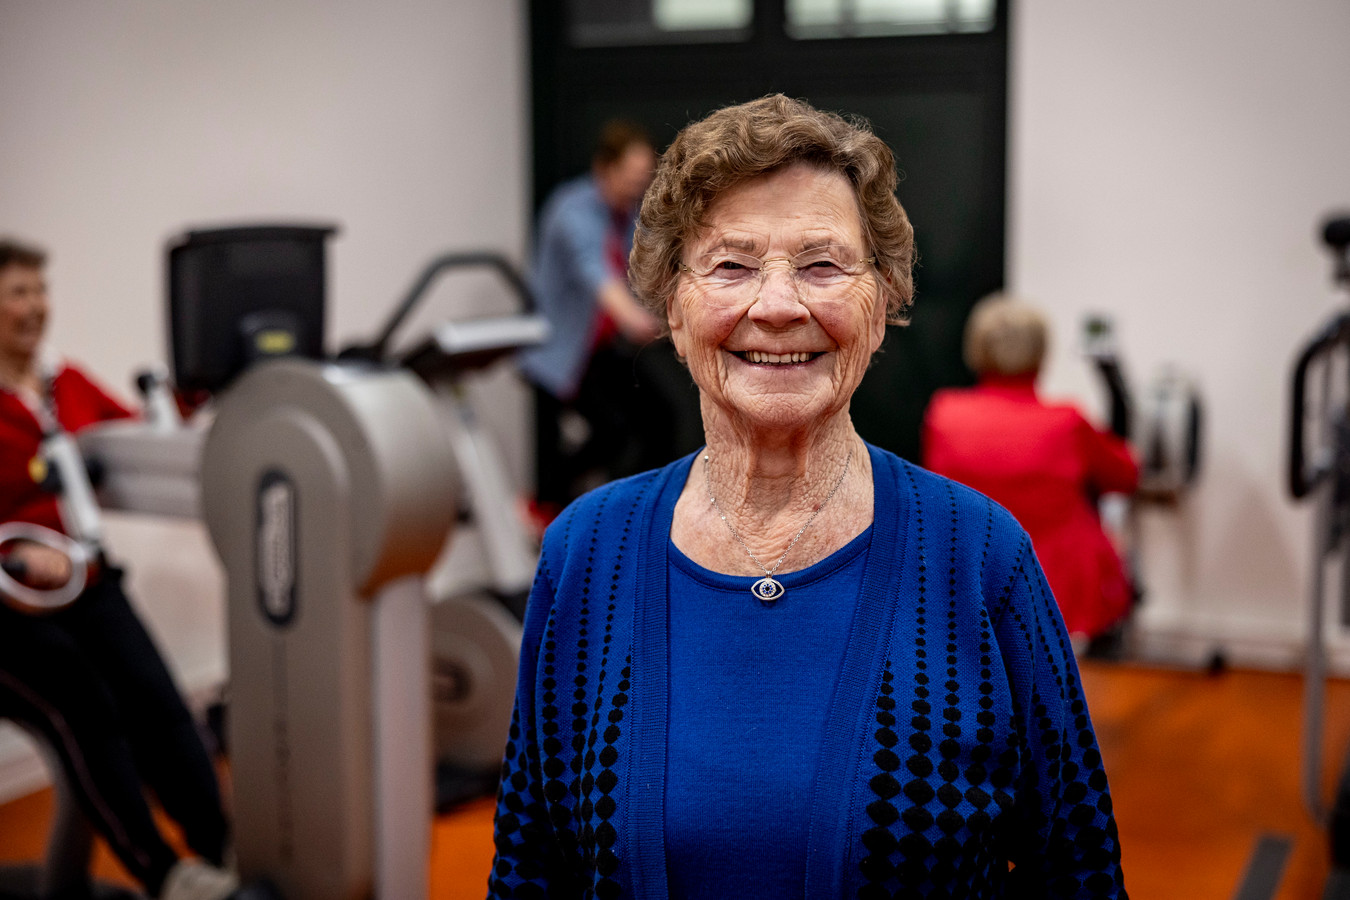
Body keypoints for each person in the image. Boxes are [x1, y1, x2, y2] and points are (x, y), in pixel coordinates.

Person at [489, 96, 1127, 898]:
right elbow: (530, 868)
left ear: (883, 301)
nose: (779, 305)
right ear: (673, 307)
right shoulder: (586, 553)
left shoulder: (981, 557)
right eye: (731, 266)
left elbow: (1078, 871)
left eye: (823, 265)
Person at [0, 238, 243, 900]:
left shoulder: (66, 384)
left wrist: (192, 396)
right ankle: (164, 874)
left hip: (84, 580)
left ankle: (221, 849)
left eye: (40, 290)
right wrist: (13, 555)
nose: (34, 306)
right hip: (8, 608)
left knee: (160, 699)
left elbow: (137, 440)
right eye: (17, 292)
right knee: (89, 707)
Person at [922, 294, 1140, 643]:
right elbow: (1126, 475)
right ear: (1041, 354)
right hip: (1057, 596)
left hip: (967, 588)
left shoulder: (944, 414)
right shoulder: (1066, 422)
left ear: (976, 349)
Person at [519, 120, 683, 520]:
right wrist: (633, 319)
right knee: (610, 432)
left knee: (659, 418)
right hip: (559, 350)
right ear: (604, 168)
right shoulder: (572, 209)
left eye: (642, 179)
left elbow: (647, 271)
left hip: (599, 349)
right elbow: (596, 273)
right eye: (630, 177)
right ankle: (549, 508)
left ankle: (642, 508)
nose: (637, 187)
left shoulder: (628, 214)